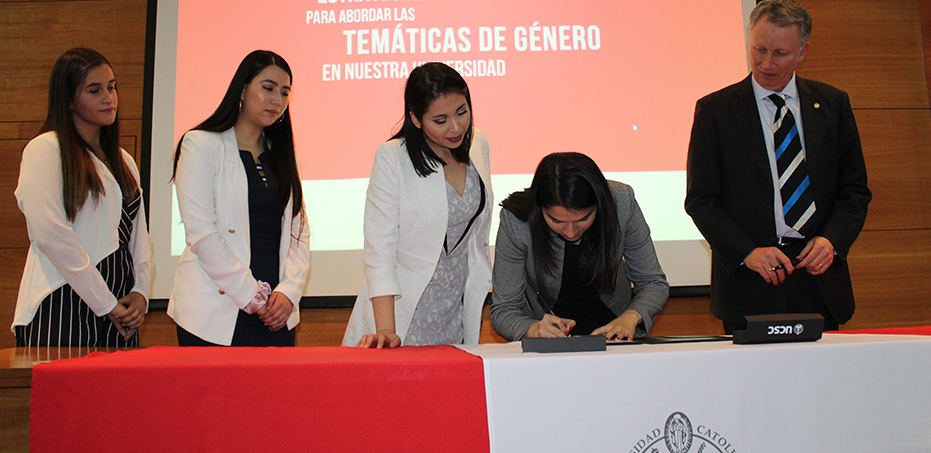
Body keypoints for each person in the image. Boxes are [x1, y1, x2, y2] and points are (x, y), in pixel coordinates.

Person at [685, 0, 871, 334]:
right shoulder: (716, 110)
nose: (766, 63)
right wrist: (748, 253)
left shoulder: (832, 104)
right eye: (759, 49)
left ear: (802, 52)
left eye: (780, 53)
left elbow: (854, 190)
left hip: (818, 280)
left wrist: (832, 242)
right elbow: (701, 200)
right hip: (750, 282)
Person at [342, 62, 493, 348]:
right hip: (404, 309)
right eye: (441, 120)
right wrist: (387, 329)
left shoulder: (478, 144)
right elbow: (380, 250)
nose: (456, 127)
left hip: (455, 305)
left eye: (462, 112)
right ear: (415, 117)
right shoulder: (393, 157)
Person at [168, 50, 310, 346]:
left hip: (276, 312)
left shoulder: (283, 155)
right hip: (214, 309)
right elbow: (201, 232)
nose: (277, 100)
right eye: (267, 88)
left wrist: (288, 292)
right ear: (242, 90)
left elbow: (299, 232)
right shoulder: (201, 143)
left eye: (285, 93)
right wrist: (251, 295)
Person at [13, 47, 152, 347]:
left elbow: (139, 236)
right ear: (69, 98)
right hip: (62, 302)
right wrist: (105, 303)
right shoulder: (45, 150)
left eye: (112, 87)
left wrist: (141, 291)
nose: (109, 97)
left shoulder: (123, 159)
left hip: (121, 308)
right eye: (95, 90)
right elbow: (51, 234)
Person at [490, 152, 669, 341]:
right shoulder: (517, 222)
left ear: (599, 205)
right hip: (547, 339)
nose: (570, 232)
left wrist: (631, 316)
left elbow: (653, 283)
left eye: (583, 219)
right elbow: (503, 310)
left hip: (613, 332)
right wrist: (533, 329)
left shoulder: (621, 203)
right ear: (539, 208)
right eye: (556, 221)